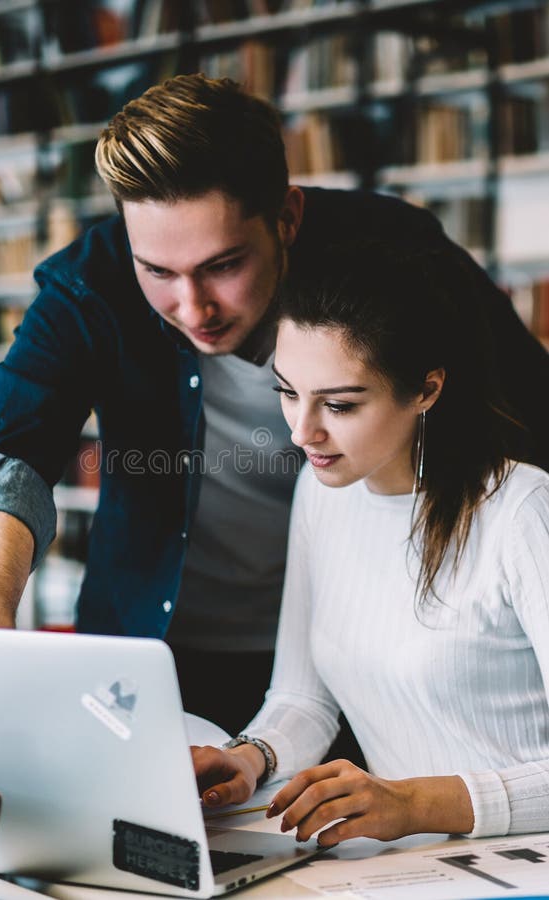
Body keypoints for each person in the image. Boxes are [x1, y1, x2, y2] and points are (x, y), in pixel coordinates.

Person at [0, 74, 549, 737]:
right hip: (149, 651)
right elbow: (1, 460)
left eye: (223, 265)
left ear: (286, 217)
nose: (192, 310)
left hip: (369, 653)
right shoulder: (90, 284)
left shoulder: (393, 253)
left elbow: (528, 414)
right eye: (158, 273)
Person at [192, 240, 549, 843]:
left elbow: (412, 803)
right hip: (399, 869)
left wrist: (415, 803)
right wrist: (250, 757)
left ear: (426, 390)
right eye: (286, 391)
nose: (303, 430)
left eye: (339, 403)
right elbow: (304, 699)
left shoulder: (522, 511)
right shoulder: (320, 490)